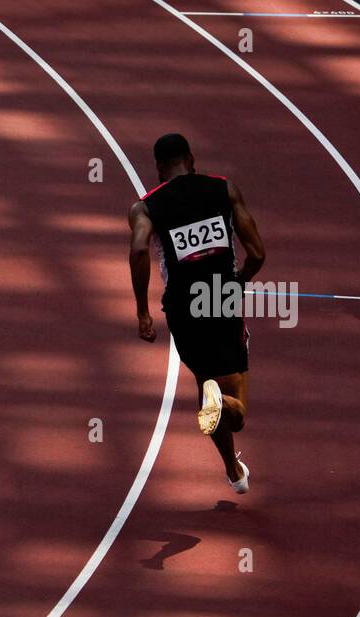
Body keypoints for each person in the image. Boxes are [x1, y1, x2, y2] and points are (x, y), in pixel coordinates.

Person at [128, 133, 266, 493]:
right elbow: (258, 254)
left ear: (159, 168)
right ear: (191, 158)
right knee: (235, 410)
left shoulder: (145, 208)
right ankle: (223, 406)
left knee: (206, 388)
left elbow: (140, 251)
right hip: (221, 298)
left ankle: (233, 470)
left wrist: (143, 312)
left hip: (181, 309)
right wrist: (240, 280)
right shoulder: (224, 189)